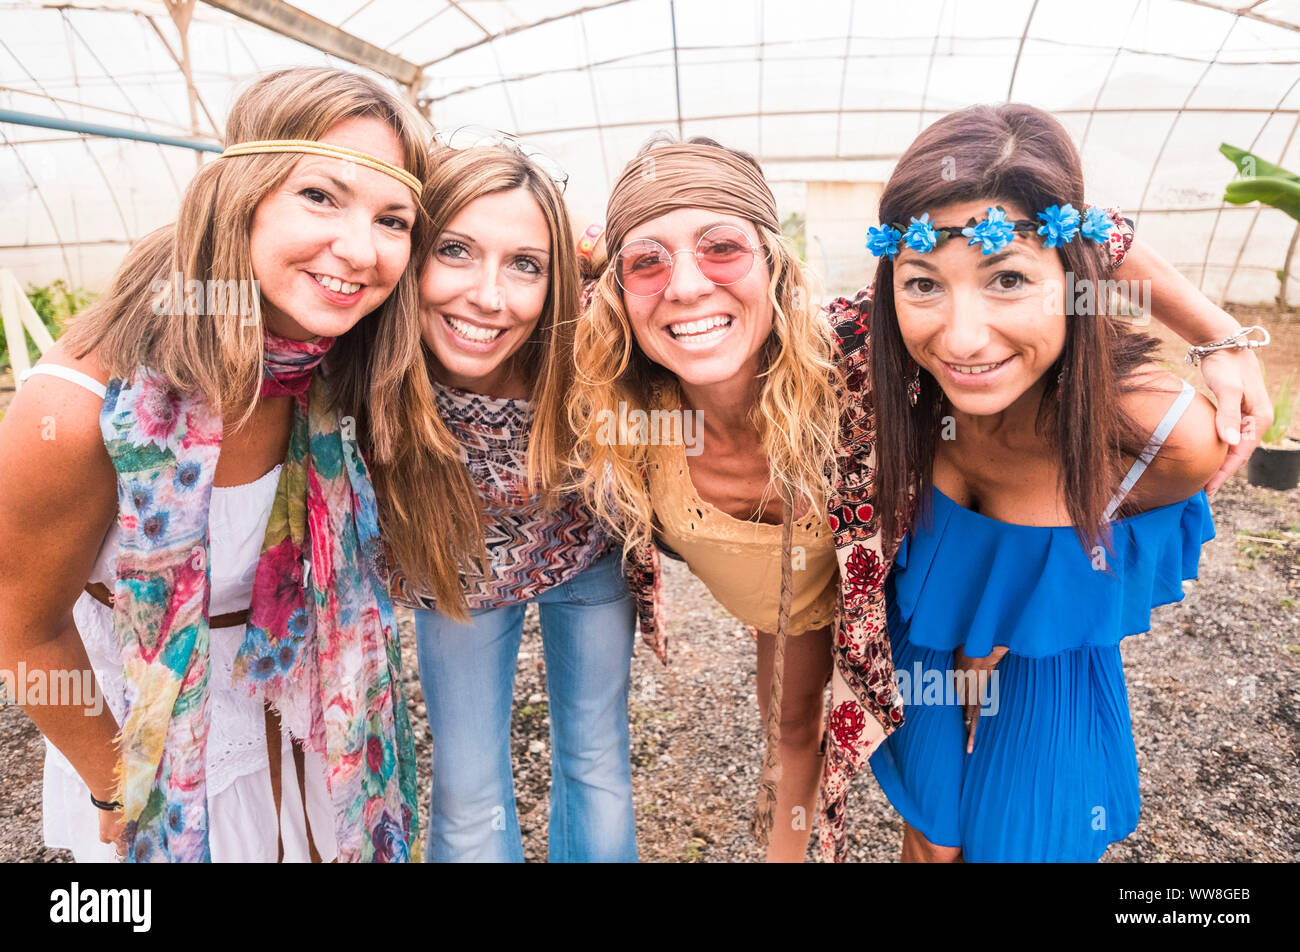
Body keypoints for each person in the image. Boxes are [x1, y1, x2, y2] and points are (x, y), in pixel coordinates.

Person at [572, 132, 1269, 862]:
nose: (685, 285)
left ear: (775, 262)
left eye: (722, 249)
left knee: (1024, 835)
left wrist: (1220, 336)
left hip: (988, 631)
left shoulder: (866, 351)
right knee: (903, 819)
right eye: (647, 262)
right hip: (870, 620)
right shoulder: (616, 391)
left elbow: (1073, 236)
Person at [0, 66, 431, 862]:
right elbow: (20, 622)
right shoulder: (82, 406)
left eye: (394, 219)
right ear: (242, 195)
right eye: (320, 196)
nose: (362, 250)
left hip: (320, 730)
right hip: (166, 759)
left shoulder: (336, 367)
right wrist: (117, 785)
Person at [859, 102, 1228, 860]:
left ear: (1075, 277)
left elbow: (1115, 537)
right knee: (928, 841)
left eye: (1008, 279)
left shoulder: (1159, 433)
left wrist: (1220, 335)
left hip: (1046, 678)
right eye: (923, 284)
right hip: (924, 659)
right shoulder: (881, 369)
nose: (960, 338)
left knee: (1026, 843)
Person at [360, 144, 638, 862]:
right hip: (458, 564)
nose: (489, 296)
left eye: (526, 264)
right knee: (466, 784)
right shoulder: (363, 345)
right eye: (455, 249)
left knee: (596, 757)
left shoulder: (594, 337)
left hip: (587, 548)